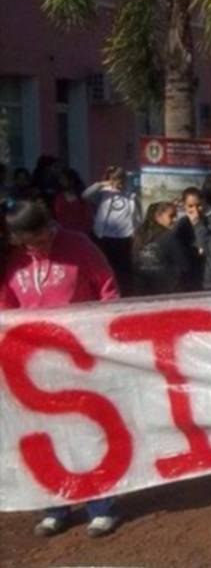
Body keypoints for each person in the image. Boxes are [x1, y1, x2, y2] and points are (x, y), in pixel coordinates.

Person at [2, 201, 122, 538]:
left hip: (79, 354)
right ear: (17, 240)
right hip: (32, 360)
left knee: (88, 430)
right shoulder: (10, 258)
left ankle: (102, 505)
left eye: (46, 235)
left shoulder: (78, 245)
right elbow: (5, 304)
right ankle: (56, 506)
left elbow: (107, 289)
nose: (44, 244)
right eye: (34, 242)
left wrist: (102, 336)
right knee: (45, 433)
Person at [83, 166, 141, 293]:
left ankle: (125, 293)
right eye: (115, 179)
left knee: (123, 270)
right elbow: (85, 195)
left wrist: (136, 234)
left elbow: (137, 217)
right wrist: (103, 184)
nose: (119, 182)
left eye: (121, 179)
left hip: (124, 238)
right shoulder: (103, 194)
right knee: (105, 266)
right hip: (104, 237)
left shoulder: (131, 196)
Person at [132, 202, 189, 296]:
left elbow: (134, 261)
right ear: (158, 216)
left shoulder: (139, 235)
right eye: (171, 216)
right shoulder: (169, 236)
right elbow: (183, 264)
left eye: (176, 216)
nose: (175, 220)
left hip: (142, 290)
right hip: (167, 290)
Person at [180, 187, 211, 291]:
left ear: (204, 202)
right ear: (184, 205)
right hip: (191, 277)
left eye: (199, 205)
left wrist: (198, 225)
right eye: (190, 206)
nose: (195, 210)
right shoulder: (183, 221)